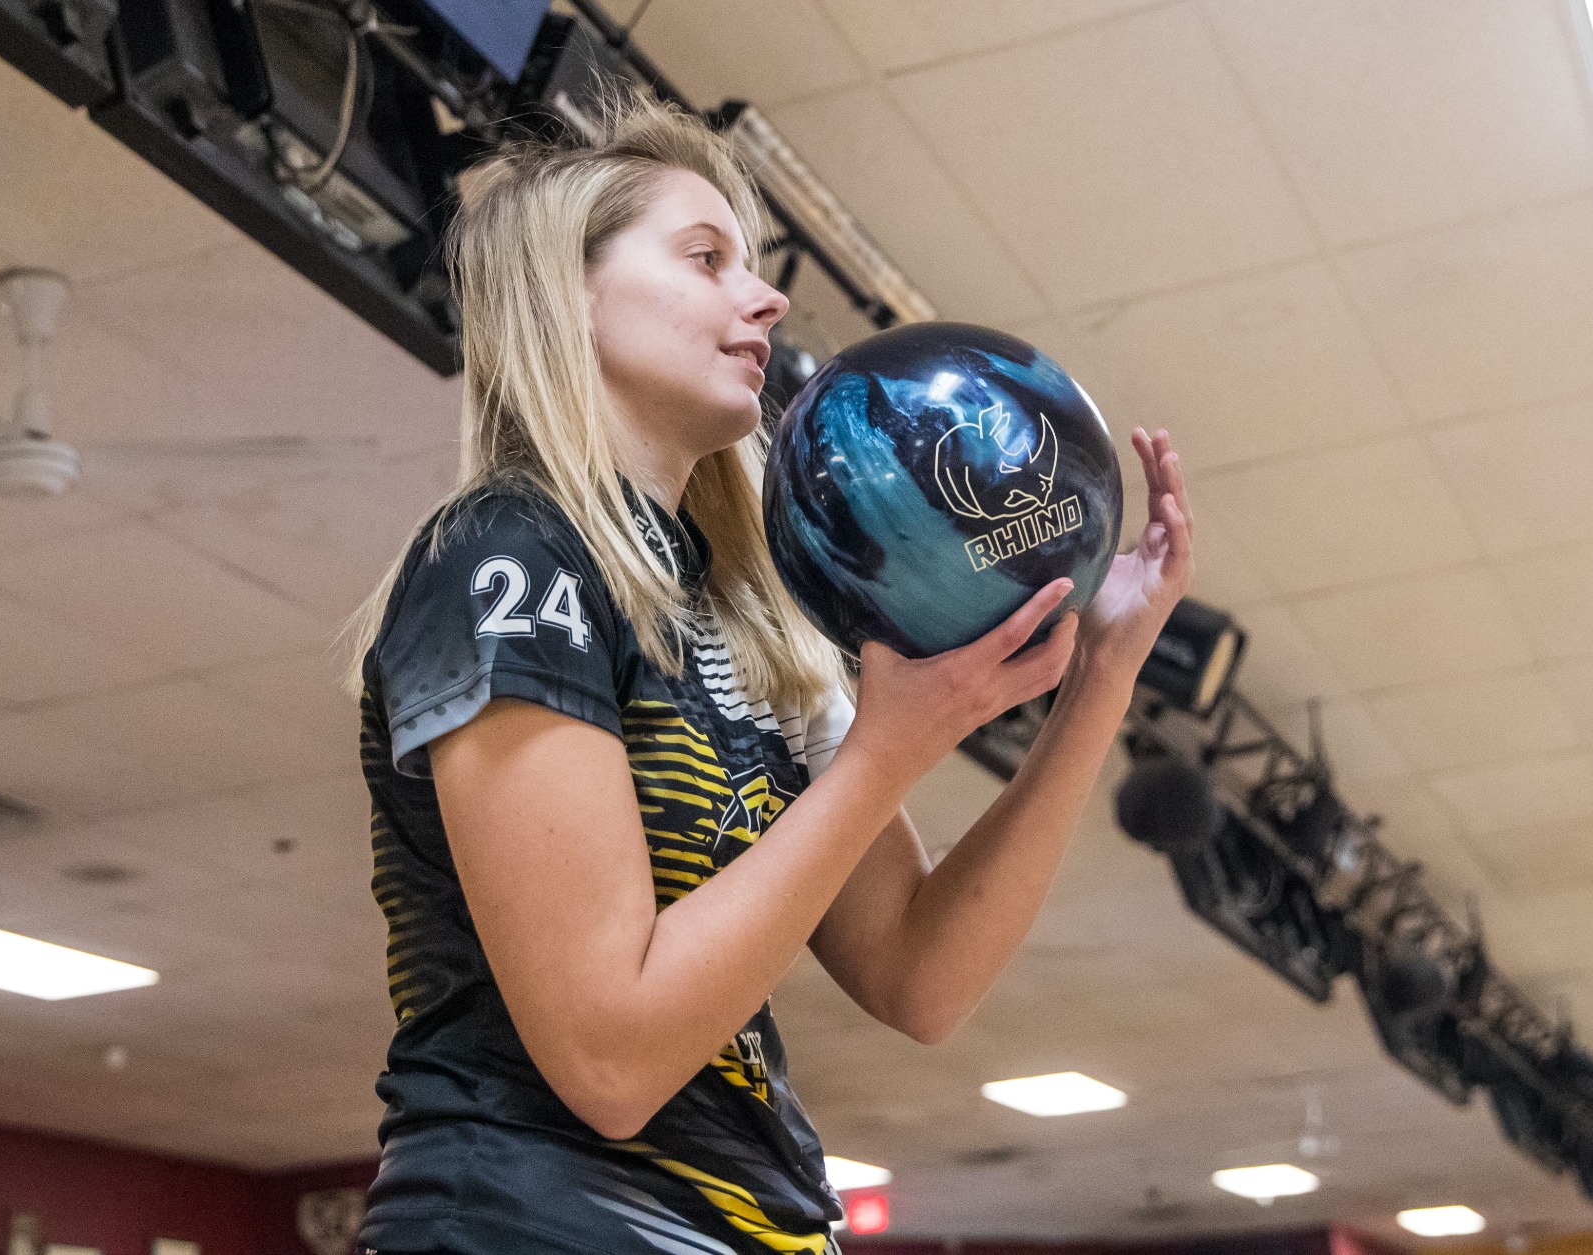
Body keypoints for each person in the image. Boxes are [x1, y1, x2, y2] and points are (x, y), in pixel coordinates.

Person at [342, 85, 1194, 1255]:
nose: (767, 295)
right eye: (706, 257)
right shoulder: (508, 556)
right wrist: (890, 747)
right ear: (569, 296)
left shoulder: (746, 619)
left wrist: (1099, 675)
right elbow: (607, 1058)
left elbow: (919, 976)